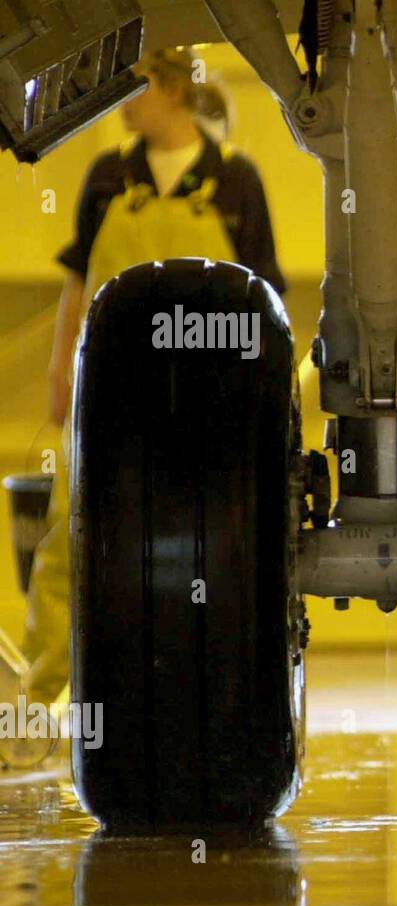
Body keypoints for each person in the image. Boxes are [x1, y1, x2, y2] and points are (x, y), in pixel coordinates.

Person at [18, 47, 286, 718]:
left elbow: (266, 298)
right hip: (109, 393)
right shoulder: (109, 176)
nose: (119, 103)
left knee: (219, 537)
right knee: (67, 540)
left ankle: (219, 687)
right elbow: (78, 282)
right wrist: (59, 369)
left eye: (129, 87)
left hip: (212, 396)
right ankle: (45, 696)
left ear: (169, 87)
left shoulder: (234, 180)